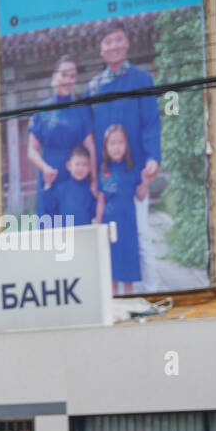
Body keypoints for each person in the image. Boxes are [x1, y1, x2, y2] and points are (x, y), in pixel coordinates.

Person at [86, 21, 160, 288]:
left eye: (118, 40)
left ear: (127, 43)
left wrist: (152, 160)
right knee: (109, 240)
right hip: (106, 180)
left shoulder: (142, 80)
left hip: (135, 174)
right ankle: (115, 299)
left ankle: (153, 296)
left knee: (141, 236)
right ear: (101, 50)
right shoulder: (93, 88)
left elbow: (152, 122)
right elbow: (89, 137)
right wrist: (94, 178)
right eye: (108, 42)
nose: (114, 46)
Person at [27, 55, 96, 203]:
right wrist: (45, 168)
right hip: (50, 176)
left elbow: (90, 146)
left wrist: (94, 178)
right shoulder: (42, 111)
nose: (67, 80)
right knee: (52, 223)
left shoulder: (82, 109)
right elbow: (31, 150)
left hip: (76, 176)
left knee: (76, 222)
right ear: (54, 77)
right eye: (63, 75)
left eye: (72, 76)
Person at [96, 125, 146, 295]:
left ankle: (129, 298)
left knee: (128, 262)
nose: (116, 147)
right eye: (112, 143)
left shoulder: (132, 169)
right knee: (112, 265)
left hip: (128, 222)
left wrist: (145, 181)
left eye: (120, 143)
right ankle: (115, 302)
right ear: (106, 147)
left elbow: (140, 195)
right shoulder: (104, 171)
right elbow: (101, 200)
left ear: (126, 145)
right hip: (110, 223)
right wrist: (99, 225)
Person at [38, 144, 97, 226]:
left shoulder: (90, 190)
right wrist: (48, 184)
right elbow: (49, 207)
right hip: (66, 234)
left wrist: (97, 196)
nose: (80, 168)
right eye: (77, 164)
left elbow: (94, 213)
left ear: (89, 168)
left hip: (85, 233)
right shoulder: (61, 189)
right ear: (69, 166)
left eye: (84, 165)